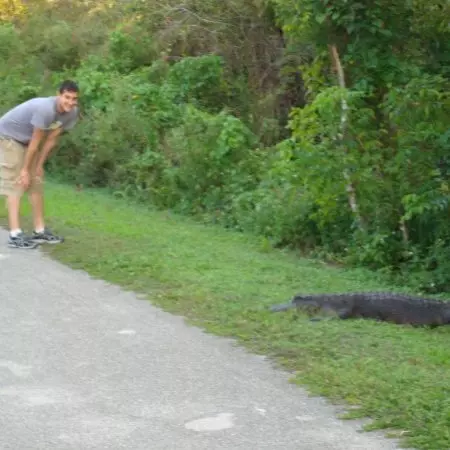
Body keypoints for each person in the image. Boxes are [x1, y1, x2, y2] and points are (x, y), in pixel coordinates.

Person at [0, 80, 80, 249]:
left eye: (74, 99)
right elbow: (36, 142)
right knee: (17, 182)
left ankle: (40, 230)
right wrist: (24, 170)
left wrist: (38, 166)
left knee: (36, 182)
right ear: (58, 95)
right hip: (9, 136)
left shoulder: (71, 112)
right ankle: (15, 235)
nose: (70, 102)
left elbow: (51, 139)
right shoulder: (45, 109)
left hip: (28, 140)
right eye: (67, 97)